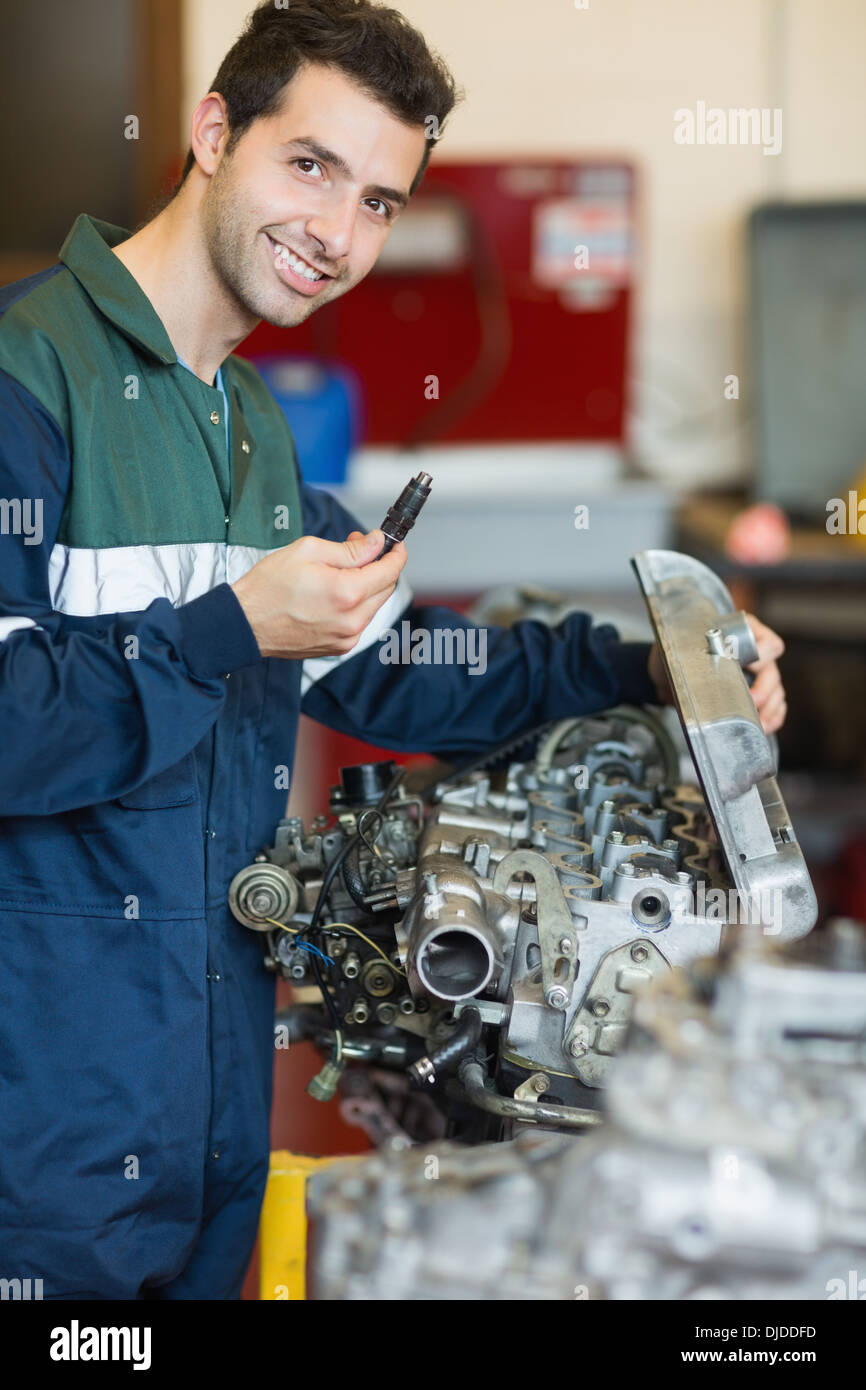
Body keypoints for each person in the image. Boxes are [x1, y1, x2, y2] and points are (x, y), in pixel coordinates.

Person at [0, 0, 787, 1300]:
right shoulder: (27, 385)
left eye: (378, 200)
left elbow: (401, 664)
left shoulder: (246, 431)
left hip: (209, 1136)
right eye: (307, 166)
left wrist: (635, 666)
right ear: (212, 132)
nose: (335, 233)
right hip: (40, 1146)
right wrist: (232, 626)